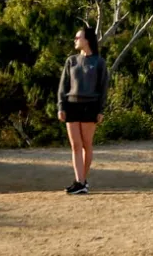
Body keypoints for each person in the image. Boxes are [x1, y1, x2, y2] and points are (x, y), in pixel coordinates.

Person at [57, 25, 108, 195]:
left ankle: (81, 182)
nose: (75, 40)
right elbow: (63, 86)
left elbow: (103, 88)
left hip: (90, 105)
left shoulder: (99, 62)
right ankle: (80, 182)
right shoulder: (71, 61)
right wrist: (61, 106)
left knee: (86, 144)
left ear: (87, 40)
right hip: (71, 105)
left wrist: (100, 110)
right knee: (75, 145)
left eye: (78, 37)